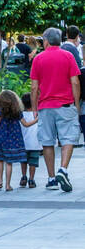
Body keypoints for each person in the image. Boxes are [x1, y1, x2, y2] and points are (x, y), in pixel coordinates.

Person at [30, 27, 80, 192]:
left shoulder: (38, 59)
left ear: (45, 41)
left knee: (47, 141)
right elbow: (75, 82)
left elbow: (34, 87)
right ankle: (63, 169)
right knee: (68, 139)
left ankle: (51, 179)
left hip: (45, 106)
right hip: (65, 105)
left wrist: (35, 108)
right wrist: (77, 104)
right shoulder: (68, 56)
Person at [0, 89, 26, 192]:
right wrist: (36, 119)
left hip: (2, 139)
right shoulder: (17, 112)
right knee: (9, 162)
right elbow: (25, 124)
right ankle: (8, 185)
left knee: (0, 160)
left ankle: (0, 181)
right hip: (14, 140)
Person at [18, 91, 40, 189]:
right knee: (33, 163)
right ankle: (31, 179)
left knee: (23, 161)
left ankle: (23, 177)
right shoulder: (38, 115)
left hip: (23, 144)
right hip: (35, 143)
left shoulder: (21, 115)